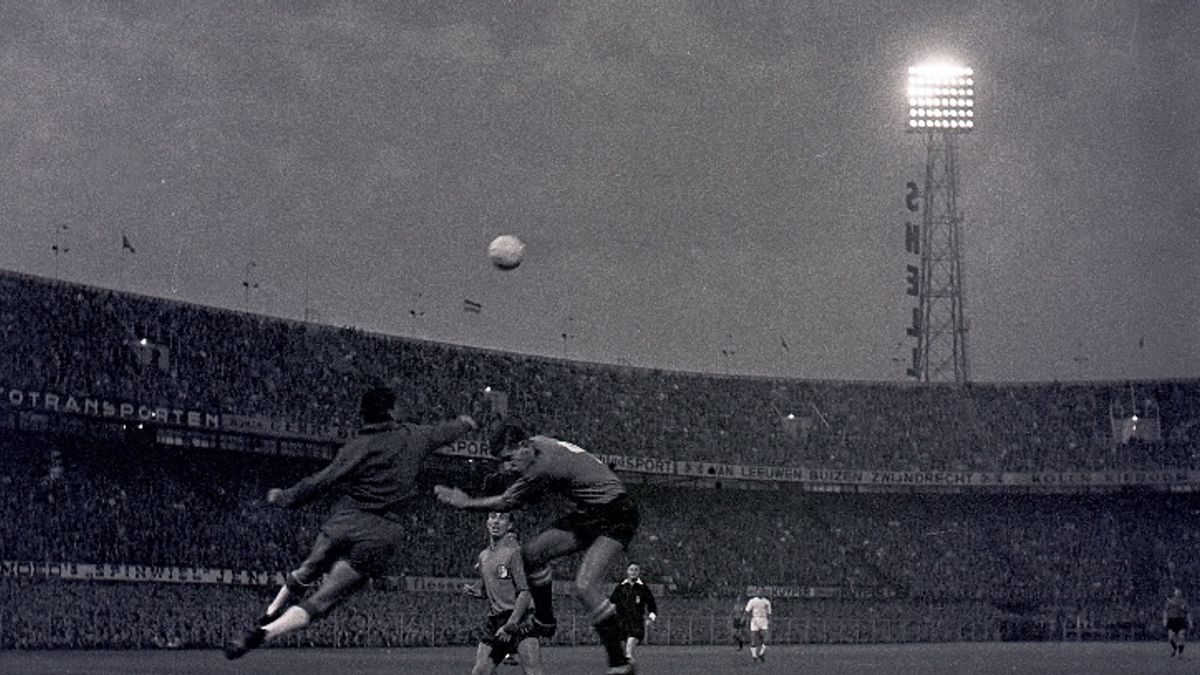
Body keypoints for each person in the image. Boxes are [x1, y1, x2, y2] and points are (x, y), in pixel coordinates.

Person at [223, 386, 477, 659]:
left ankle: (269, 612)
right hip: (381, 532)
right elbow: (445, 431)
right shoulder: (414, 436)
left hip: (345, 521)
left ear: (363, 416)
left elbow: (321, 481)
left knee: (308, 569)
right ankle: (266, 632)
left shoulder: (356, 446)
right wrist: (464, 423)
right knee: (323, 600)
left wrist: (285, 497)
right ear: (391, 410)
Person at [435, 423, 640, 675]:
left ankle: (619, 663)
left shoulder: (544, 466)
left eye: (508, 459)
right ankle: (544, 619)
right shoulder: (538, 444)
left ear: (523, 446)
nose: (507, 466)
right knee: (530, 554)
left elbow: (507, 502)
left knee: (585, 586)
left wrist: (466, 503)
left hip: (617, 513)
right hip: (591, 510)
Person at [464, 511, 544, 675]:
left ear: (509, 525)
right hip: (495, 619)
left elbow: (524, 591)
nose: (496, 521)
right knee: (480, 671)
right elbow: (488, 591)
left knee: (533, 672)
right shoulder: (483, 556)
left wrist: (511, 624)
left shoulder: (514, 553)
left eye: (502, 518)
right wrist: (477, 592)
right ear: (487, 522)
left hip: (519, 618)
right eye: (492, 516)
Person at [609, 563, 657, 663]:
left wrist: (651, 617)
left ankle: (629, 658)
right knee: (621, 652)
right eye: (631, 569)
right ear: (627, 571)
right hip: (622, 621)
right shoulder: (620, 587)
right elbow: (612, 603)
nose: (633, 572)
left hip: (636, 622)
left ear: (639, 572)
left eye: (636, 570)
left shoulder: (643, 588)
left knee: (629, 648)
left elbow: (652, 604)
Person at [1165, 587, 1192, 658]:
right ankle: (1175, 649)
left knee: (1181, 636)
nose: (1178, 593)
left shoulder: (1184, 602)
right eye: (1177, 592)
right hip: (1172, 620)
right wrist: (1164, 620)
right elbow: (1165, 611)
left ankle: (1179, 653)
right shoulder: (1170, 601)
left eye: (1179, 592)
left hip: (1181, 620)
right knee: (1171, 637)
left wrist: (1190, 622)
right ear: (1174, 593)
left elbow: (1188, 613)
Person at [744, 594, 771, 663]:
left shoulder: (767, 602)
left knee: (766, 639)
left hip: (764, 620)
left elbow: (769, 612)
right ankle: (754, 656)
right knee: (753, 638)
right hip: (755, 620)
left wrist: (769, 621)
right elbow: (747, 610)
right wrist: (745, 619)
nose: (760, 592)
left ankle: (761, 653)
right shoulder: (752, 601)